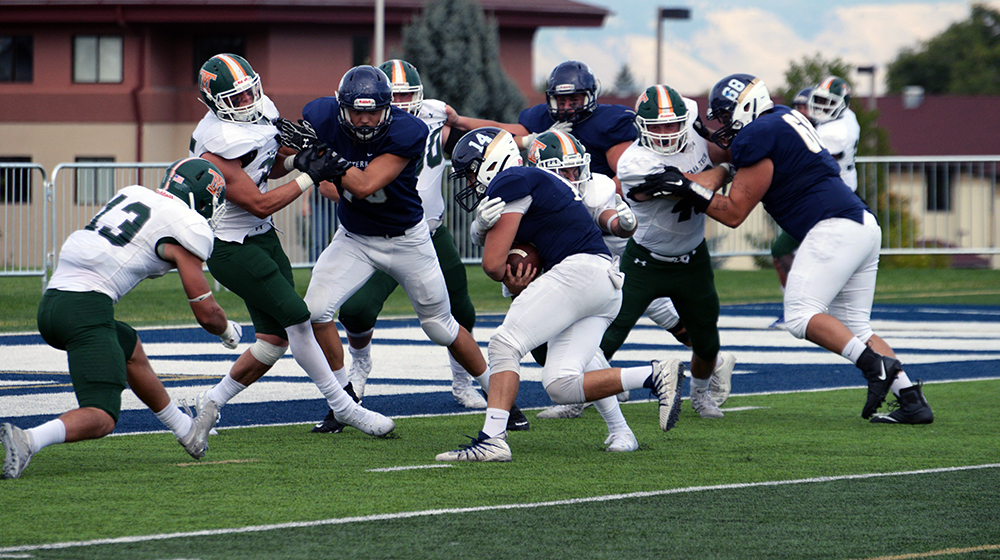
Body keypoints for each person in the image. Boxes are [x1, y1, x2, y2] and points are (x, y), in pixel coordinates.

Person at [651, 72, 932, 424]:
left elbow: (735, 213)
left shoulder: (758, 135)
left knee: (800, 315)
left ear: (745, 107)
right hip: (861, 224)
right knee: (856, 327)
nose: (723, 124)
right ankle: (910, 399)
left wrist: (684, 187)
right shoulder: (783, 117)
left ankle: (874, 366)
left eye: (725, 115)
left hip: (833, 226)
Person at [436, 127, 687, 462]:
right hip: (605, 284)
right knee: (560, 384)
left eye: (470, 173)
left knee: (503, 344)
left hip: (579, 273)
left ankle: (493, 439)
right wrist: (485, 231)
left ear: (489, 163)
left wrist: (505, 264)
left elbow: (494, 265)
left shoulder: (510, 180)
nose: (470, 184)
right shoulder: (540, 183)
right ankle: (654, 375)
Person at [189, 54, 395, 438]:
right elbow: (258, 200)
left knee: (273, 341)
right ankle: (345, 407)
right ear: (213, 103)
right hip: (231, 245)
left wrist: (298, 159)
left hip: (261, 236)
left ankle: (211, 402)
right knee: (299, 320)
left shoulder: (259, 116)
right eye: (235, 99)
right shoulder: (215, 145)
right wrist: (309, 174)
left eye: (249, 91)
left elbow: (266, 163)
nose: (248, 102)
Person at [291, 65, 501, 434]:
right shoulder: (321, 115)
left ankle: (501, 400)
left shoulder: (409, 130)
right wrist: (295, 157)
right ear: (342, 107)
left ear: (389, 109)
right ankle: (345, 399)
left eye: (374, 111)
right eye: (357, 111)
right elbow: (288, 159)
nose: (366, 120)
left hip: (408, 239)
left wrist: (325, 160)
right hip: (354, 237)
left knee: (441, 326)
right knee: (315, 311)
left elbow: (366, 182)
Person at [2, 158, 238, 479]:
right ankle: (29, 439)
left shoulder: (135, 194)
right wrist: (227, 331)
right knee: (102, 416)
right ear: (202, 198)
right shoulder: (186, 224)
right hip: (85, 309)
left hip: (53, 304)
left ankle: (187, 431)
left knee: (127, 344)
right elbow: (207, 313)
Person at [516, 129, 692, 419]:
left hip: (615, 264)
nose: (572, 177)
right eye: (563, 171)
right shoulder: (534, 192)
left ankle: (709, 359)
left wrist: (620, 224)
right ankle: (609, 387)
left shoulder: (595, 189)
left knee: (658, 315)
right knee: (659, 314)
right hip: (580, 270)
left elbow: (609, 221)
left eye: (575, 169)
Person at [600, 84, 738, 419]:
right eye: (658, 126)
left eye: (673, 124)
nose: (666, 132)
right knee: (608, 334)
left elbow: (712, 140)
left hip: (693, 258)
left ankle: (701, 394)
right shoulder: (636, 163)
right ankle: (580, 395)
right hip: (645, 260)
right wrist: (725, 170)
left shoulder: (689, 117)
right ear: (642, 127)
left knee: (707, 340)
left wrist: (724, 160)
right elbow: (690, 187)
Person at [770, 78, 861, 329]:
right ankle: (808, 308)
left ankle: (802, 309)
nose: (820, 108)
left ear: (842, 104)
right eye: (818, 101)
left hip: (828, 200)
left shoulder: (834, 133)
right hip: (835, 195)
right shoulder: (847, 117)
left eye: (827, 103)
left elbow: (805, 159)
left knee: (790, 251)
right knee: (793, 252)